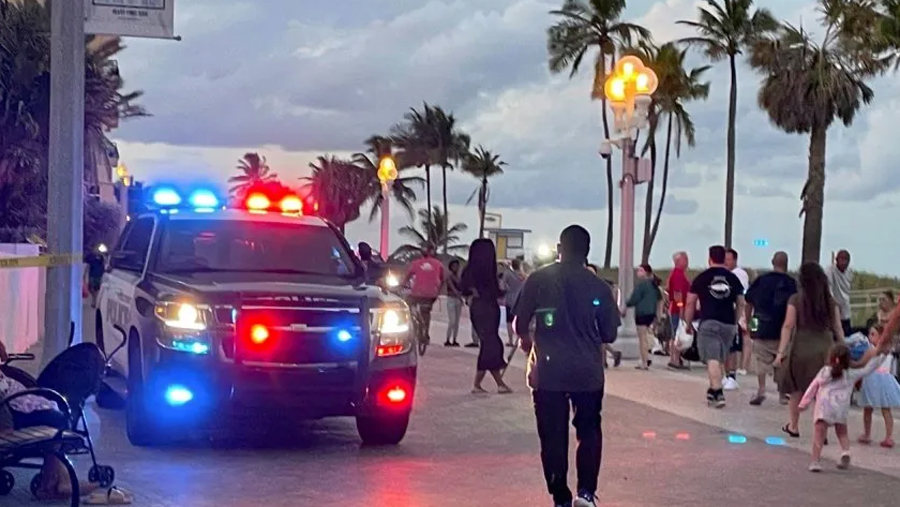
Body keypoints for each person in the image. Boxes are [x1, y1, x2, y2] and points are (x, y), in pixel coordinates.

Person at [515, 225, 619, 507]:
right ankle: (585, 493)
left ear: (560, 249)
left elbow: (519, 323)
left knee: (552, 435)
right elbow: (609, 333)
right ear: (587, 252)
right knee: (589, 429)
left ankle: (560, 497)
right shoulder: (600, 286)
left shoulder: (538, 279)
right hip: (588, 372)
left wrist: (527, 342)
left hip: (548, 373)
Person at [0, 342, 113, 502]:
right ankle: (53, 482)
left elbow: (3, 356)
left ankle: (53, 481)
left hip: (9, 397)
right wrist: (5, 424)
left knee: (54, 411)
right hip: (7, 407)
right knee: (57, 417)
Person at [775, 262, 846, 439]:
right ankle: (822, 432)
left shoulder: (795, 299)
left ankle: (794, 426)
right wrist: (844, 350)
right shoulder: (831, 302)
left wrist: (780, 352)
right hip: (825, 348)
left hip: (801, 347)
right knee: (822, 392)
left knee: (796, 389)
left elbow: (788, 325)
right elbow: (838, 328)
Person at [799, 340, 891, 472]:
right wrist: (882, 356)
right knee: (842, 433)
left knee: (819, 435)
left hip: (823, 408)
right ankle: (845, 451)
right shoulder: (851, 374)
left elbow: (813, 386)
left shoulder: (825, 371)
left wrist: (804, 403)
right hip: (841, 409)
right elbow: (868, 369)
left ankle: (815, 461)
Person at [683, 245, 744, 408]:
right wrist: (736, 321)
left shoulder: (701, 278)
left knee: (712, 359)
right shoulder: (733, 278)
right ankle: (712, 391)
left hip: (709, 322)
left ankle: (717, 392)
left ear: (709, 258)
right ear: (724, 258)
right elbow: (740, 302)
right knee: (718, 359)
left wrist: (687, 324)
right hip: (728, 323)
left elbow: (690, 302)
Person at [744, 251, 797, 406]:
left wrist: (749, 324)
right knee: (782, 361)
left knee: (760, 359)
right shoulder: (791, 283)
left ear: (773, 262)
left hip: (760, 324)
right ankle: (782, 393)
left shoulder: (761, 280)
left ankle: (761, 389)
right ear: (786, 264)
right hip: (783, 328)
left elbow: (749, 303)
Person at [460, 239, 512, 395]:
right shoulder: (487, 272)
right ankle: (490, 383)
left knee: (490, 343)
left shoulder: (470, 271)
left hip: (482, 308)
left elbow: (465, 289)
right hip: (487, 308)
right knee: (490, 343)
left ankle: (490, 383)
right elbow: (494, 292)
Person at [857, 323, 900, 448]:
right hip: (871, 379)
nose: (870, 337)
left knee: (886, 408)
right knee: (867, 408)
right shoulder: (869, 348)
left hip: (882, 379)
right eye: (869, 334)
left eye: (873, 334)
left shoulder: (885, 349)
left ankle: (889, 436)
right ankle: (867, 433)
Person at [402, 244, 445, 346]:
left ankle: (413, 325)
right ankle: (425, 333)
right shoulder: (438, 264)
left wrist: (403, 284)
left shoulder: (416, 263)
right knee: (426, 312)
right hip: (432, 294)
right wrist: (438, 290)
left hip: (417, 293)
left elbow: (407, 276)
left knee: (406, 305)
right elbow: (442, 279)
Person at [624, 263, 662, 370]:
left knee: (642, 339)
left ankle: (644, 361)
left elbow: (633, 299)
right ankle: (645, 358)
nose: (638, 272)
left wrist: (625, 306)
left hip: (641, 313)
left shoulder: (641, 286)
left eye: (640, 270)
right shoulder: (654, 285)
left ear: (646, 272)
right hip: (651, 314)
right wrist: (658, 315)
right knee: (646, 336)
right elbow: (660, 300)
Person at [724, 248, 750, 389]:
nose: (726, 262)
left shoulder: (739, 274)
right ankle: (728, 373)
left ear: (734, 260)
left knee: (743, 339)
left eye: (728, 259)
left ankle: (742, 367)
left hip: (740, 314)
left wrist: (742, 316)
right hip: (729, 314)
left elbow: (741, 295)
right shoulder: (725, 274)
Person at [587, 263, 621, 368]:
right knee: (600, 340)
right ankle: (611, 356)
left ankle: (603, 362)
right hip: (598, 316)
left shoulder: (600, 287)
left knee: (602, 340)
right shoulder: (597, 286)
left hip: (603, 316)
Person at [666, 251, 691, 370]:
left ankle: (676, 358)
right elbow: (677, 293)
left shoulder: (678, 274)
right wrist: (681, 307)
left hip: (677, 308)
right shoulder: (678, 274)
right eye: (685, 259)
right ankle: (675, 359)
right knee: (677, 334)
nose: (687, 261)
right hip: (677, 309)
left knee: (677, 333)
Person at [826, 249, 853, 337]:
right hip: (834, 308)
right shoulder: (830, 270)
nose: (844, 262)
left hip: (845, 307)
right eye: (842, 259)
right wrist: (833, 303)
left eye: (846, 260)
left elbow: (847, 289)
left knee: (846, 334)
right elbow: (828, 287)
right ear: (836, 259)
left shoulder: (849, 272)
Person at [501, 259, 527, 347]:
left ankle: (510, 340)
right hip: (520, 299)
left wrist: (507, 289)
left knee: (509, 320)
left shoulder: (508, 274)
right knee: (518, 319)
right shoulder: (523, 275)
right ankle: (518, 340)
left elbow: (502, 285)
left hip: (509, 299)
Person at [444, 259, 464, 347]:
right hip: (451, 299)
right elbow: (453, 288)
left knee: (457, 322)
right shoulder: (449, 276)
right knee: (452, 321)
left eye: (457, 266)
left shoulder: (459, 277)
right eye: (454, 266)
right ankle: (448, 339)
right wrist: (460, 296)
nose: (456, 268)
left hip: (457, 299)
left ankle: (454, 339)